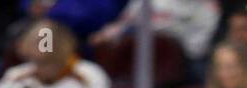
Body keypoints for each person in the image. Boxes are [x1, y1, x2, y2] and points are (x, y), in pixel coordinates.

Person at [90, 0, 220, 65]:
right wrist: (105, 35)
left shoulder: (206, 5)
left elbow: (197, 48)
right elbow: (125, 23)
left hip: (182, 65)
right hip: (133, 64)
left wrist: (166, 35)